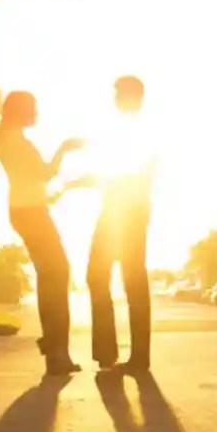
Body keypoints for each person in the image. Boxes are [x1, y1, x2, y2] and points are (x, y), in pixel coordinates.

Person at [0, 90, 84, 376]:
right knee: (57, 273)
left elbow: (33, 182)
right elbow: (44, 173)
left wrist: (66, 190)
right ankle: (56, 351)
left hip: (29, 209)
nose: (37, 113)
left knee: (53, 274)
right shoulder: (14, 140)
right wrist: (64, 148)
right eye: (33, 108)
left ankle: (56, 351)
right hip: (30, 213)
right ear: (19, 110)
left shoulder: (13, 139)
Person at [86, 75, 156, 372]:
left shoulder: (138, 130)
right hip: (120, 207)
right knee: (121, 277)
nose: (113, 98)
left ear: (131, 96)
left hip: (127, 210)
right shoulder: (122, 129)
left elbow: (140, 172)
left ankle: (121, 354)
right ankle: (121, 354)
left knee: (121, 277)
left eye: (117, 93)